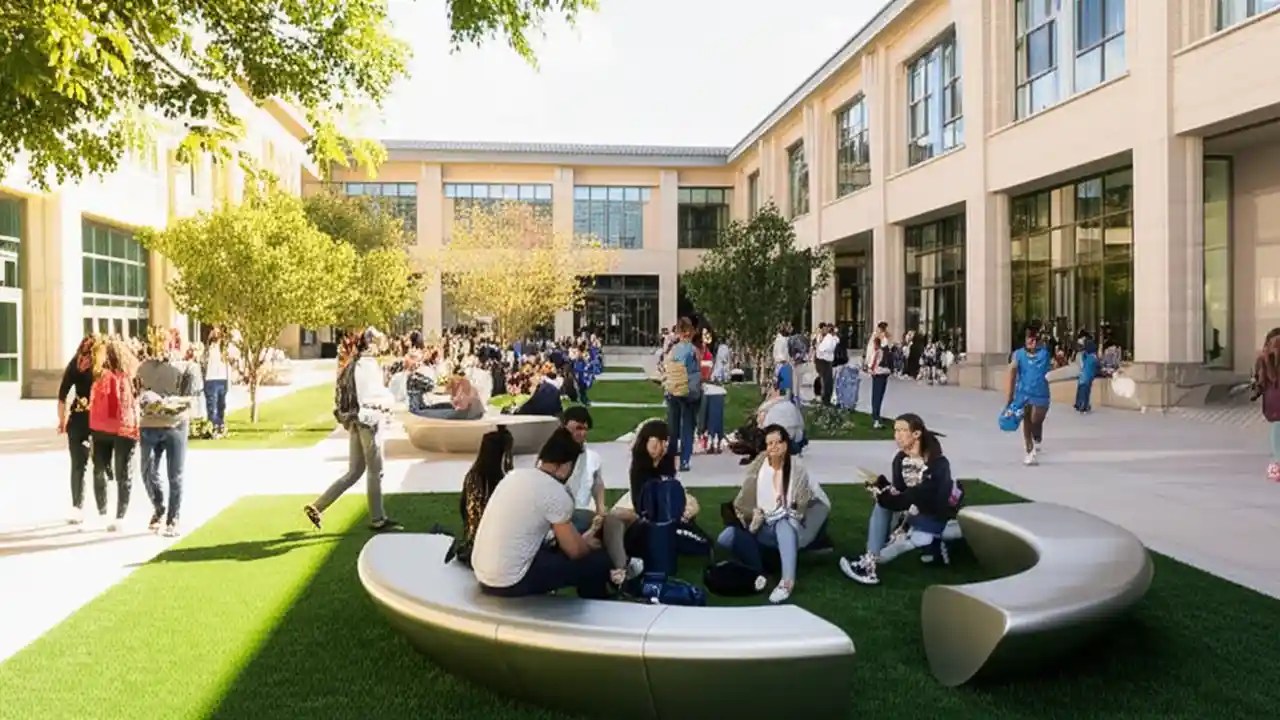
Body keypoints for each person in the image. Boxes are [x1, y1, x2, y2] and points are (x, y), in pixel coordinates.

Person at [471, 427, 613, 598]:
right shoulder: (556, 492)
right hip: (510, 581)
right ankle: (594, 610)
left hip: (483, 573)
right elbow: (575, 552)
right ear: (565, 466)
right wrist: (587, 545)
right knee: (597, 561)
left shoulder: (513, 476)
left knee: (560, 546)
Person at [838, 413, 963, 585]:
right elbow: (902, 492)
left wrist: (886, 496)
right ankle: (872, 557)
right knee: (883, 504)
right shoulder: (900, 459)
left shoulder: (938, 464)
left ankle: (870, 562)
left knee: (885, 509)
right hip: (911, 513)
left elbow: (923, 498)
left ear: (917, 434)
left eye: (903, 430)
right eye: (895, 430)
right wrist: (883, 487)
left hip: (933, 517)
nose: (897, 435)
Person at [718, 424, 832, 604]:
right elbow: (744, 501)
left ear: (786, 444)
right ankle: (763, 568)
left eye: (779, 442)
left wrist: (778, 515)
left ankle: (787, 582)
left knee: (785, 526)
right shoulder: (759, 467)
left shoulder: (796, 469)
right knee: (726, 537)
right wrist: (752, 519)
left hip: (799, 517)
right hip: (766, 522)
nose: (774, 447)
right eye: (769, 443)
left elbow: (799, 508)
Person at [305, 327, 402, 532]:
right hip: (369, 420)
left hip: (356, 421)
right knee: (375, 471)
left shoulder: (353, 363)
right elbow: (373, 395)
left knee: (354, 471)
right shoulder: (368, 365)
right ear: (371, 343)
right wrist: (390, 402)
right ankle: (378, 518)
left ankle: (318, 506)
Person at [137, 332, 204, 536]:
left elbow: (191, 398)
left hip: (175, 425)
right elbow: (137, 391)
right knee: (147, 471)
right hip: (149, 425)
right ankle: (159, 507)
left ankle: (173, 518)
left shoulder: (187, 367)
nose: (161, 347)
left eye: (166, 343)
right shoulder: (143, 367)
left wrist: (171, 404)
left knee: (175, 475)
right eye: (157, 343)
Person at [88, 337, 141, 532]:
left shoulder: (102, 376)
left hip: (101, 427)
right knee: (123, 472)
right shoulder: (128, 376)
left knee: (99, 469)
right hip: (123, 428)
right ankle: (120, 515)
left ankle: (103, 512)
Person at [57, 336, 101, 525]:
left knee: (78, 465)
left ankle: (77, 507)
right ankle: (103, 508)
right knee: (99, 464)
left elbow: (62, 395)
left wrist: (62, 420)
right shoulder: (101, 367)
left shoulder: (74, 364)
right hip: (98, 418)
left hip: (78, 417)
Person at [459, 426, 514, 542]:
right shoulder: (498, 483)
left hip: (473, 542)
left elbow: (464, 509)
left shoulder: (473, 476)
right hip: (489, 545)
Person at [1007, 327, 1053, 466]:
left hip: (1041, 394)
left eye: (1034, 338)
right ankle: (1029, 451)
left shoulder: (1044, 354)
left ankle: (1037, 436)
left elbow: (1049, 367)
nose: (1031, 341)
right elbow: (1012, 373)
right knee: (1026, 419)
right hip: (1023, 393)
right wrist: (1010, 397)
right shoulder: (1018, 355)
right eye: (1028, 338)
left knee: (1036, 420)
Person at [662, 317, 702, 472]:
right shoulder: (693, 351)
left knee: (673, 427)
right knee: (687, 426)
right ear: (690, 331)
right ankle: (684, 460)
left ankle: (670, 460)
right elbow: (698, 371)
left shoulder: (673, 350)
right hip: (689, 392)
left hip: (673, 391)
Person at [561, 406, 607, 532]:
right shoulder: (553, 456)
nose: (582, 433)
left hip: (583, 511)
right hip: (561, 516)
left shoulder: (593, 457)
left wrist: (601, 509)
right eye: (578, 428)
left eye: (585, 429)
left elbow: (598, 483)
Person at [1252, 328, 1280, 482]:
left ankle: (1278, 463)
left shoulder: (1263, 358)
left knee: (1277, 428)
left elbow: (1259, 380)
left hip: (1272, 401)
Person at [201, 327, 234, 438]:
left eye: (218, 332)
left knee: (221, 405)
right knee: (212, 406)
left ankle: (220, 427)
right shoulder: (208, 349)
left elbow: (230, 362)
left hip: (222, 379)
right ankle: (213, 428)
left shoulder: (224, 349)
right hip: (211, 379)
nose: (215, 334)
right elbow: (203, 361)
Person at [866, 322, 891, 429]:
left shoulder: (878, 339)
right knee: (877, 394)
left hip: (882, 371)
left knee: (879, 394)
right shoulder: (878, 340)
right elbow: (873, 355)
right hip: (879, 371)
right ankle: (875, 416)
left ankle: (876, 414)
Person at [814, 323, 839, 405]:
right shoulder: (821, 337)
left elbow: (823, 348)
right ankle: (823, 397)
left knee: (827, 381)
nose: (824, 330)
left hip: (826, 361)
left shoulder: (830, 338)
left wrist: (820, 346)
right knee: (824, 380)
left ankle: (826, 399)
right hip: (821, 361)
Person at [1074, 334, 1099, 413]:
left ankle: (1079, 404)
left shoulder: (1086, 356)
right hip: (1088, 379)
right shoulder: (1094, 358)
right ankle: (1084, 406)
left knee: (1080, 392)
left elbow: (1082, 355)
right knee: (1086, 393)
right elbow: (1097, 367)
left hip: (1082, 377)